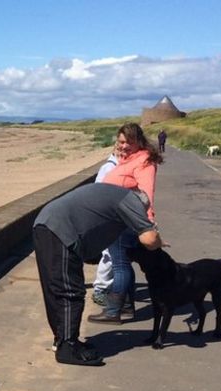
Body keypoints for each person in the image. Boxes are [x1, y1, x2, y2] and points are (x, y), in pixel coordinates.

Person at [33, 182, 163, 366]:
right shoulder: (132, 201)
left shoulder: (116, 196)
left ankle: (63, 340)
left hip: (47, 224)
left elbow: (96, 225)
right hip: (59, 229)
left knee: (56, 289)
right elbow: (150, 240)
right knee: (69, 292)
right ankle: (67, 348)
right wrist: (159, 242)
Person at [88, 123, 163, 324]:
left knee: (120, 266)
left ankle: (113, 311)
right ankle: (127, 308)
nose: (123, 146)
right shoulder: (130, 159)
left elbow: (147, 193)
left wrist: (148, 222)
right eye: (121, 142)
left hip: (125, 221)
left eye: (129, 142)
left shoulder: (144, 161)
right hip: (117, 219)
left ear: (139, 141)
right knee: (123, 264)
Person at [91, 150, 119, 306]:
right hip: (108, 217)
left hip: (114, 216)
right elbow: (98, 193)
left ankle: (106, 287)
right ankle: (100, 289)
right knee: (108, 254)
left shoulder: (119, 166)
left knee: (112, 255)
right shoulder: (108, 168)